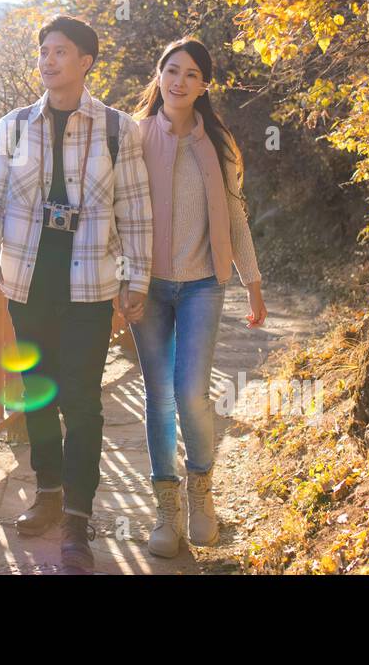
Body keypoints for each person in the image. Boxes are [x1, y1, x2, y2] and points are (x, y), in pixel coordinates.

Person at [0, 15, 152, 574]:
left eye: (61, 51)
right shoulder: (14, 126)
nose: (48, 61)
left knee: (82, 402)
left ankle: (77, 518)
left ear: (86, 62)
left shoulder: (119, 129)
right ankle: (47, 491)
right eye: (43, 51)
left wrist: (136, 278)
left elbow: (137, 212)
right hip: (27, 283)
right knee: (39, 394)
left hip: (90, 287)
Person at [124, 35, 267, 558]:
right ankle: (167, 510)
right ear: (158, 75)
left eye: (191, 74)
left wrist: (252, 284)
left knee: (191, 393)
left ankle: (201, 493)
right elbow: (117, 217)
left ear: (204, 85)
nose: (179, 82)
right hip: (148, 287)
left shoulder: (219, 146)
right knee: (158, 396)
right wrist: (125, 281)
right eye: (171, 70)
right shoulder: (134, 138)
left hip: (204, 283)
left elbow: (235, 216)